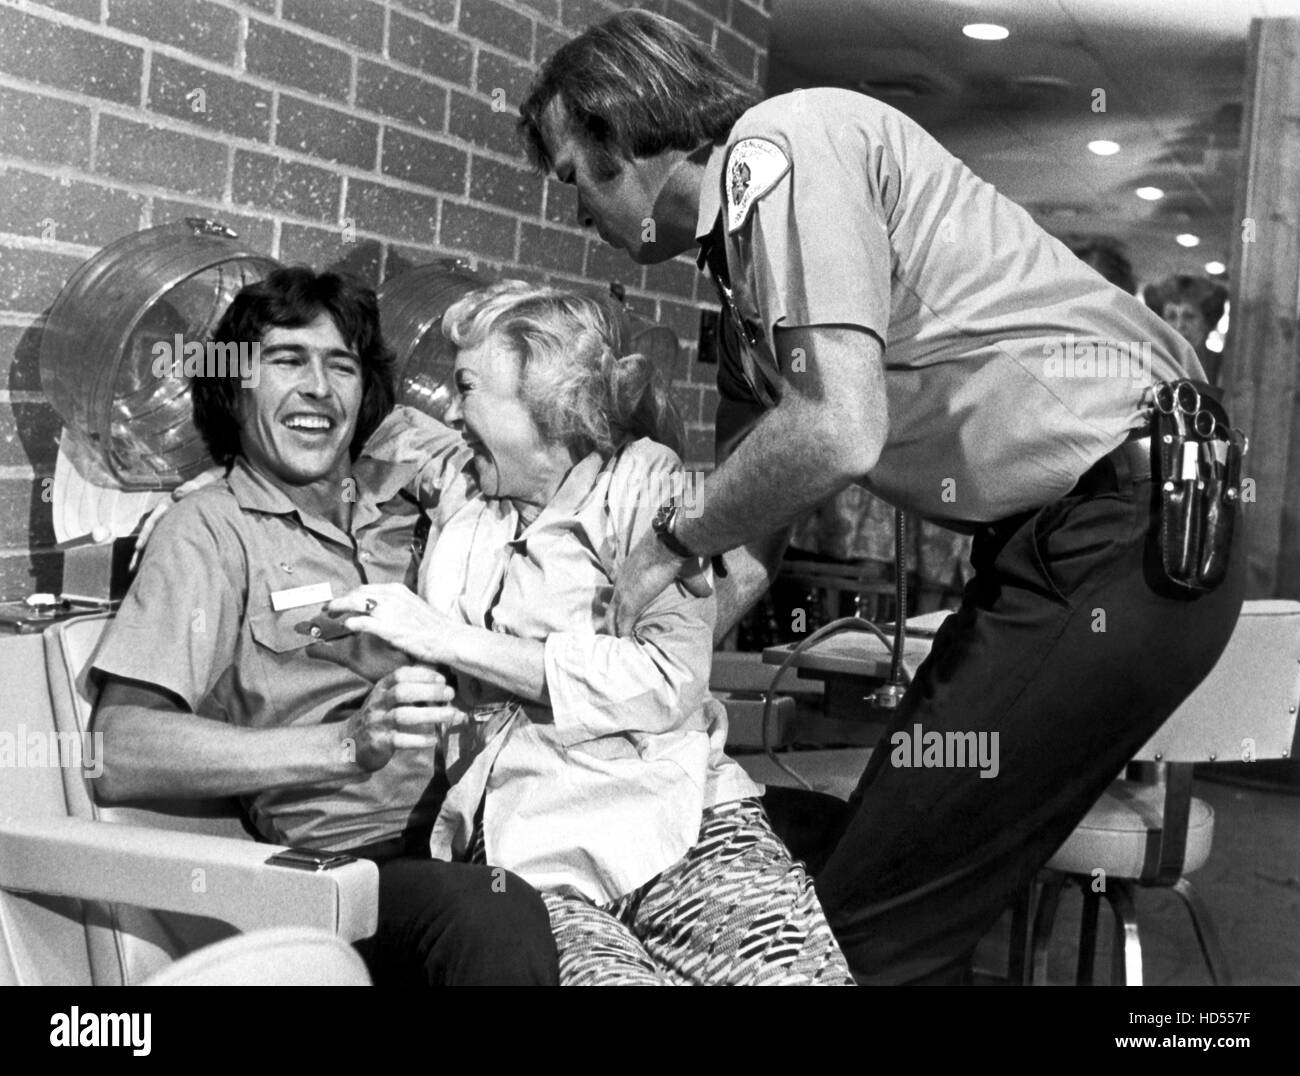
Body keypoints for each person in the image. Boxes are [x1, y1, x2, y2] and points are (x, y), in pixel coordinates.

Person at [519, 10, 1246, 984]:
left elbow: (835, 428)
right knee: (883, 857)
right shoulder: (736, 273)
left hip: (1128, 522)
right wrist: (660, 648)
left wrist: (664, 536)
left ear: (625, 129)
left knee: (865, 923)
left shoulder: (788, 142)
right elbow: (765, 500)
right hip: (1057, 538)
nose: (572, 210)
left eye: (573, 177)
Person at [325, 281, 853, 986]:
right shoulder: (464, 481)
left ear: (545, 403)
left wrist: (442, 638)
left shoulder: (649, 486)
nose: (450, 409)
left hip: (679, 826)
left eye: (468, 387)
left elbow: (666, 682)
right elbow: (374, 428)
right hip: (533, 849)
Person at [91, 266, 558, 986]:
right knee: (489, 914)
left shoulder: (421, 508)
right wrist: (345, 745)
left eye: (341, 366)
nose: (318, 387)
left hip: (516, 822)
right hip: (361, 871)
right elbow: (119, 752)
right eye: (287, 361)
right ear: (234, 386)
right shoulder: (209, 532)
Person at [1144, 273, 1229, 385]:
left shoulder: (1223, 365)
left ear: (1208, 321)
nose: (1179, 325)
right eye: (1171, 316)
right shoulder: (1150, 364)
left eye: (1189, 316)